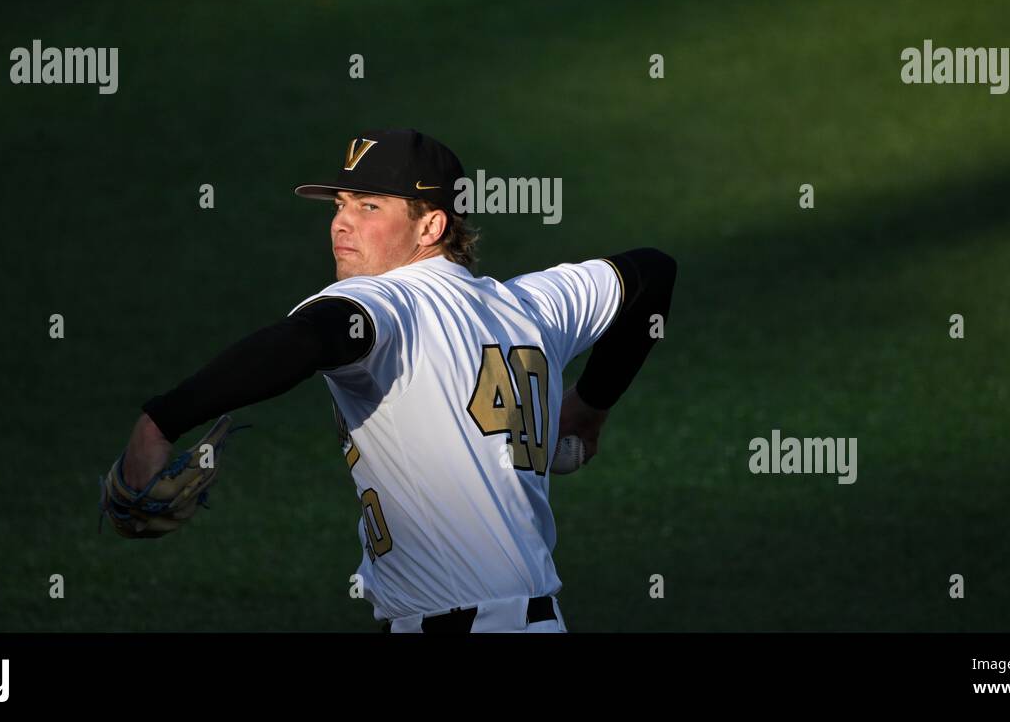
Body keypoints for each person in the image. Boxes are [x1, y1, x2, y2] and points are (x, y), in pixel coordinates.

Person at [119, 128, 676, 632]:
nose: (341, 221)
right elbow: (652, 273)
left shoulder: (385, 300)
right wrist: (589, 409)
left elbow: (304, 341)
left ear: (431, 224)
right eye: (340, 205)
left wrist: (158, 422)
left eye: (369, 206)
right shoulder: (529, 306)